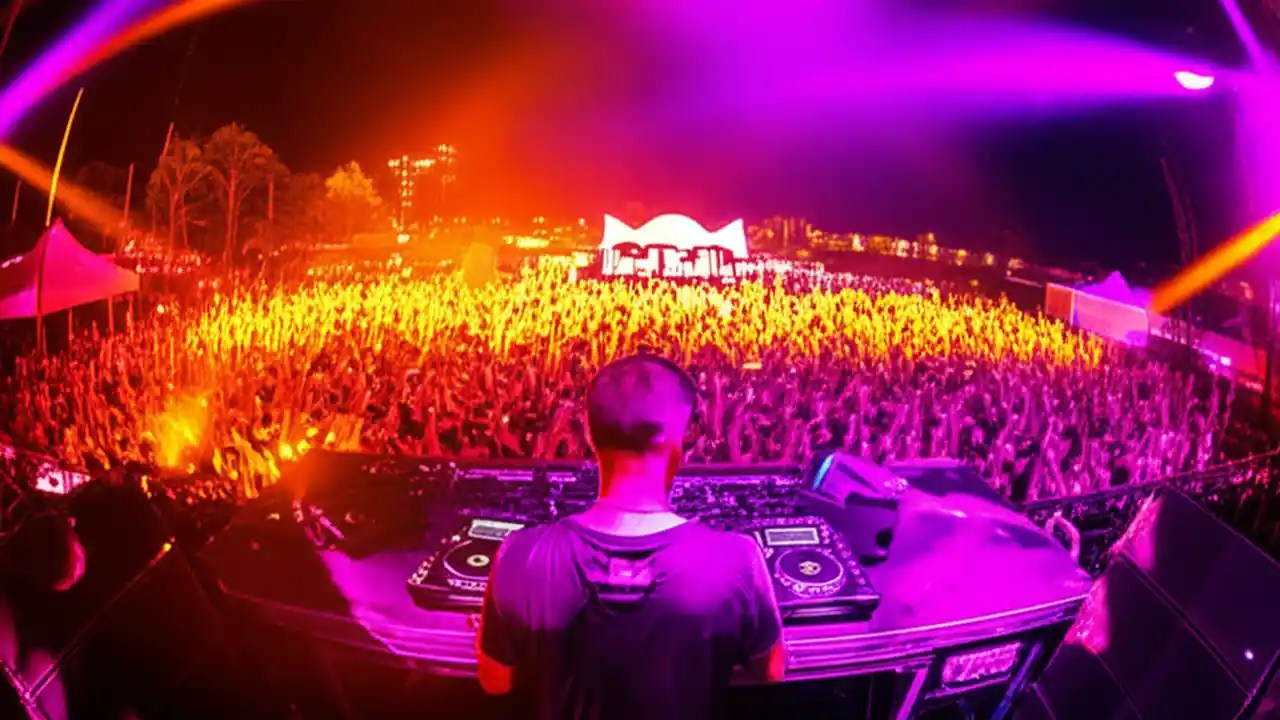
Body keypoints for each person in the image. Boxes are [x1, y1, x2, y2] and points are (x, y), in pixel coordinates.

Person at [476, 354, 787, 719]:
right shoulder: (737, 559)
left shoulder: (518, 554)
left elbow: (495, 681)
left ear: (589, 435)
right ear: (679, 442)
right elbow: (771, 670)